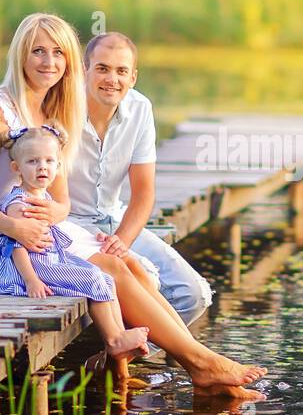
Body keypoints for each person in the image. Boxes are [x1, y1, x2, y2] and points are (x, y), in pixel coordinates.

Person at [0, 12, 264, 397]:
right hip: (3, 248)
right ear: (20, 55)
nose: (49, 62)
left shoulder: (49, 112)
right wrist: (6, 226)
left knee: (133, 267)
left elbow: (60, 202)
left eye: (58, 52)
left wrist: (53, 214)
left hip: (47, 232)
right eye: (38, 52)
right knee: (112, 267)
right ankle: (200, 364)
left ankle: (195, 365)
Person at [70, 31, 214, 326]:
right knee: (142, 281)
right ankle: (118, 349)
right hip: (70, 227)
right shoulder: (60, 105)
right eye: (102, 68)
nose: (112, 79)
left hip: (114, 220)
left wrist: (121, 241)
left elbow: (143, 194)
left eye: (121, 71)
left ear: (133, 77)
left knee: (194, 294)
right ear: (85, 71)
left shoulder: (140, 109)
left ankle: (120, 357)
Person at [0, 124, 150, 364]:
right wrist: (32, 281)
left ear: (58, 166)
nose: (42, 167)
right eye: (32, 162)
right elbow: (16, 246)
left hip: (49, 257)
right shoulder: (19, 204)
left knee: (103, 276)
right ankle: (113, 340)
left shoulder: (43, 196)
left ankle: (118, 335)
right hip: (31, 267)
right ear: (16, 168)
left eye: (49, 161)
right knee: (91, 279)